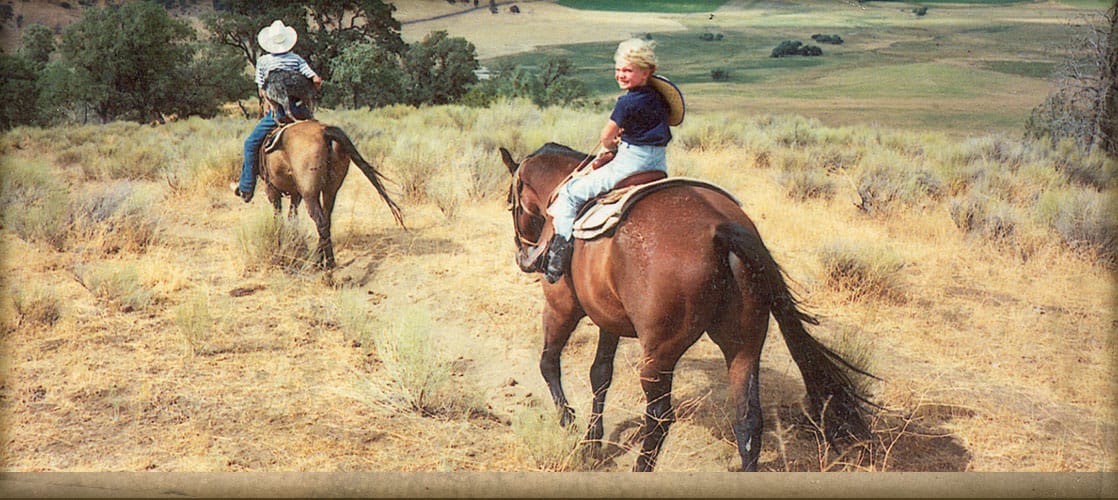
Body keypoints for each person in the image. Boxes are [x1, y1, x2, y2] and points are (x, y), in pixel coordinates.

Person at [542, 38, 683, 283]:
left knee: (571, 193)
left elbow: (606, 135)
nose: (620, 75)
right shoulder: (657, 98)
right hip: (657, 165)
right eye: (618, 70)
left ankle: (558, 255)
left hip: (630, 164)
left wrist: (610, 145)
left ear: (645, 73)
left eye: (627, 70)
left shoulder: (626, 102)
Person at [233, 20, 323, 203]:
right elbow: (316, 79)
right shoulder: (297, 59)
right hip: (302, 112)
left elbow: (262, 89)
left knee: (250, 144)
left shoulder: (264, 61)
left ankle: (246, 188)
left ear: (269, 43)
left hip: (279, 113)